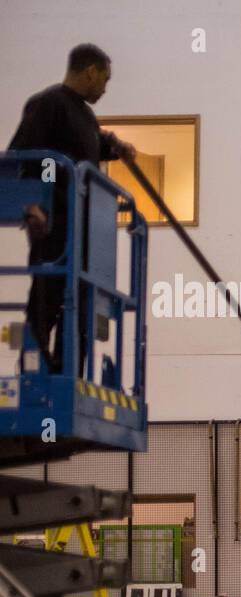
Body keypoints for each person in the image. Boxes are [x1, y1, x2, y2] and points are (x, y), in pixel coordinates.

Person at [7, 44, 136, 374]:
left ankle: (69, 375)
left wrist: (114, 146)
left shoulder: (86, 116)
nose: (105, 88)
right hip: (54, 223)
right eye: (104, 80)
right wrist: (30, 205)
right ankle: (35, 371)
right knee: (46, 300)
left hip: (83, 228)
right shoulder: (48, 104)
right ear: (90, 72)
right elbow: (20, 157)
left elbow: (84, 147)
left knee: (78, 307)